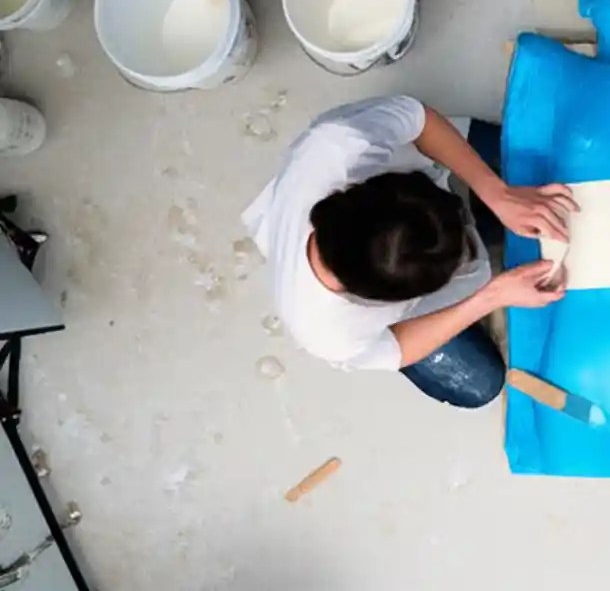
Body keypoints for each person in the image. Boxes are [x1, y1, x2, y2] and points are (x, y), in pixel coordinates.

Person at [243, 95, 575, 409]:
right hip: (389, 316)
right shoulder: (329, 332)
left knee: (529, 157)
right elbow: (397, 347)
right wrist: (490, 297)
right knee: (481, 385)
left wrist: (497, 193)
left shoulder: (339, 146)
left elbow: (422, 121)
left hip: (388, 190)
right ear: (389, 300)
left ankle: (481, 206)